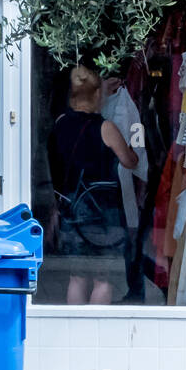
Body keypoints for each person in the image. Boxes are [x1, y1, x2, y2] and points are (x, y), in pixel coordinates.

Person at [48, 65, 139, 305]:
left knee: (76, 278)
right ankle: (94, 333)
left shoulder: (60, 124)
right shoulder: (105, 127)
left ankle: (74, 333)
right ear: (98, 94)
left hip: (71, 209)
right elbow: (130, 162)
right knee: (103, 280)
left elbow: (55, 166)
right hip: (103, 214)